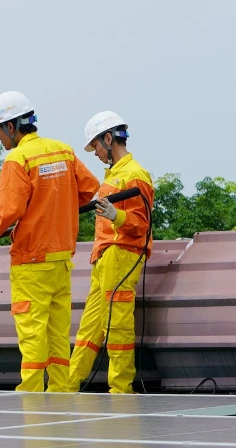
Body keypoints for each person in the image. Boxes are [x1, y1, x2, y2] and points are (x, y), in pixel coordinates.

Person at [0, 91, 99, 392]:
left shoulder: (17, 158)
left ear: (11, 127)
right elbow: (88, 191)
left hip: (31, 263)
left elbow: (9, 211)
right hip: (61, 260)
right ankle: (61, 396)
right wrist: (52, 209)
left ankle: (32, 402)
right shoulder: (63, 151)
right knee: (58, 336)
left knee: (33, 336)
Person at [65, 111, 155, 393]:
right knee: (90, 326)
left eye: (96, 147)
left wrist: (117, 216)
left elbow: (141, 225)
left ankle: (120, 390)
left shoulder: (135, 175)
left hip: (122, 255)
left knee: (116, 326)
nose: (96, 153)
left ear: (108, 138)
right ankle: (66, 386)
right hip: (105, 258)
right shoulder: (113, 176)